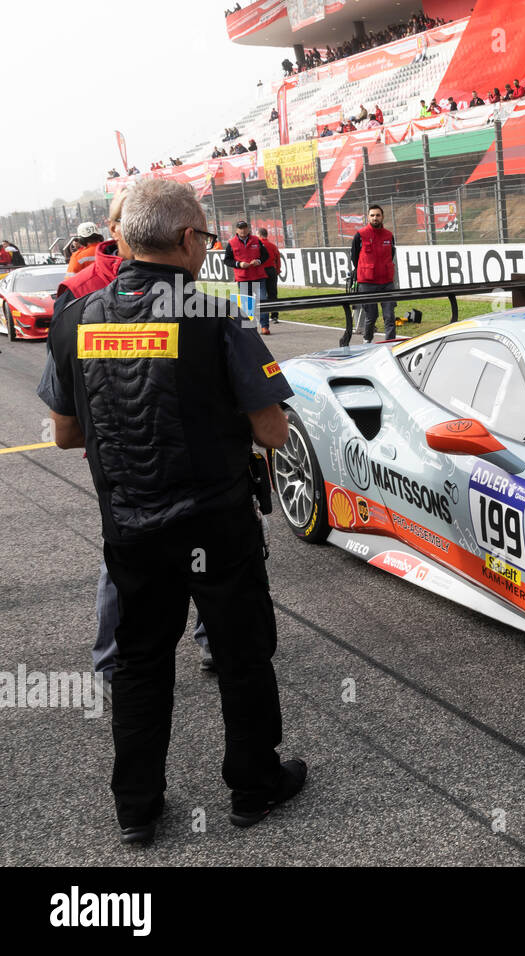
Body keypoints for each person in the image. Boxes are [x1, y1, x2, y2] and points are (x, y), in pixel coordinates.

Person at [38, 178, 306, 845]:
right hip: (216, 520)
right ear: (189, 240)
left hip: (129, 524)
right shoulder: (216, 315)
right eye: (207, 240)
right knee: (243, 655)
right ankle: (252, 787)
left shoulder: (75, 316)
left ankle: (137, 807)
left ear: (125, 237)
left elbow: (66, 434)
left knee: (140, 661)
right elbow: (273, 433)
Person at [52, 190, 215, 686]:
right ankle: (113, 657)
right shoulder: (78, 289)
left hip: (187, 445)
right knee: (127, 553)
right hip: (118, 447)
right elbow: (65, 391)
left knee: (209, 539)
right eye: (124, 222)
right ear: (116, 228)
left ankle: (213, 638)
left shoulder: (188, 287)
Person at [347, 204, 398, 344]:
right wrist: (365, 270)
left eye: (378, 215)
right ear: (368, 217)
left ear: (382, 217)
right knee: (371, 316)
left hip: (387, 282)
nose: (375, 218)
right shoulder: (360, 235)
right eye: (372, 215)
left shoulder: (389, 235)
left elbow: (391, 254)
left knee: (389, 316)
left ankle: (390, 344)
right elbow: (354, 257)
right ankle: (367, 341)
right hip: (367, 283)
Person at [223, 219, 270, 334]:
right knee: (246, 303)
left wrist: (258, 261)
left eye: (245, 227)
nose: (243, 230)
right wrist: (239, 264)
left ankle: (265, 326)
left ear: (248, 229)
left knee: (262, 300)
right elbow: (227, 260)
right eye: (240, 228)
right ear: (236, 230)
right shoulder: (231, 243)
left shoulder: (256, 240)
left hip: (259, 276)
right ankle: (250, 328)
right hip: (243, 277)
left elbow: (266, 255)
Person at [258, 228, 281, 325]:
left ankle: (263, 315)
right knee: (273, 293)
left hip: (261, 271)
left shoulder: (257, 246)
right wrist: (277, 270)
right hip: (272, 270)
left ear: (259, 235)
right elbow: (278, 259)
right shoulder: (273, 246)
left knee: (261, 294)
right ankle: (275, 315)